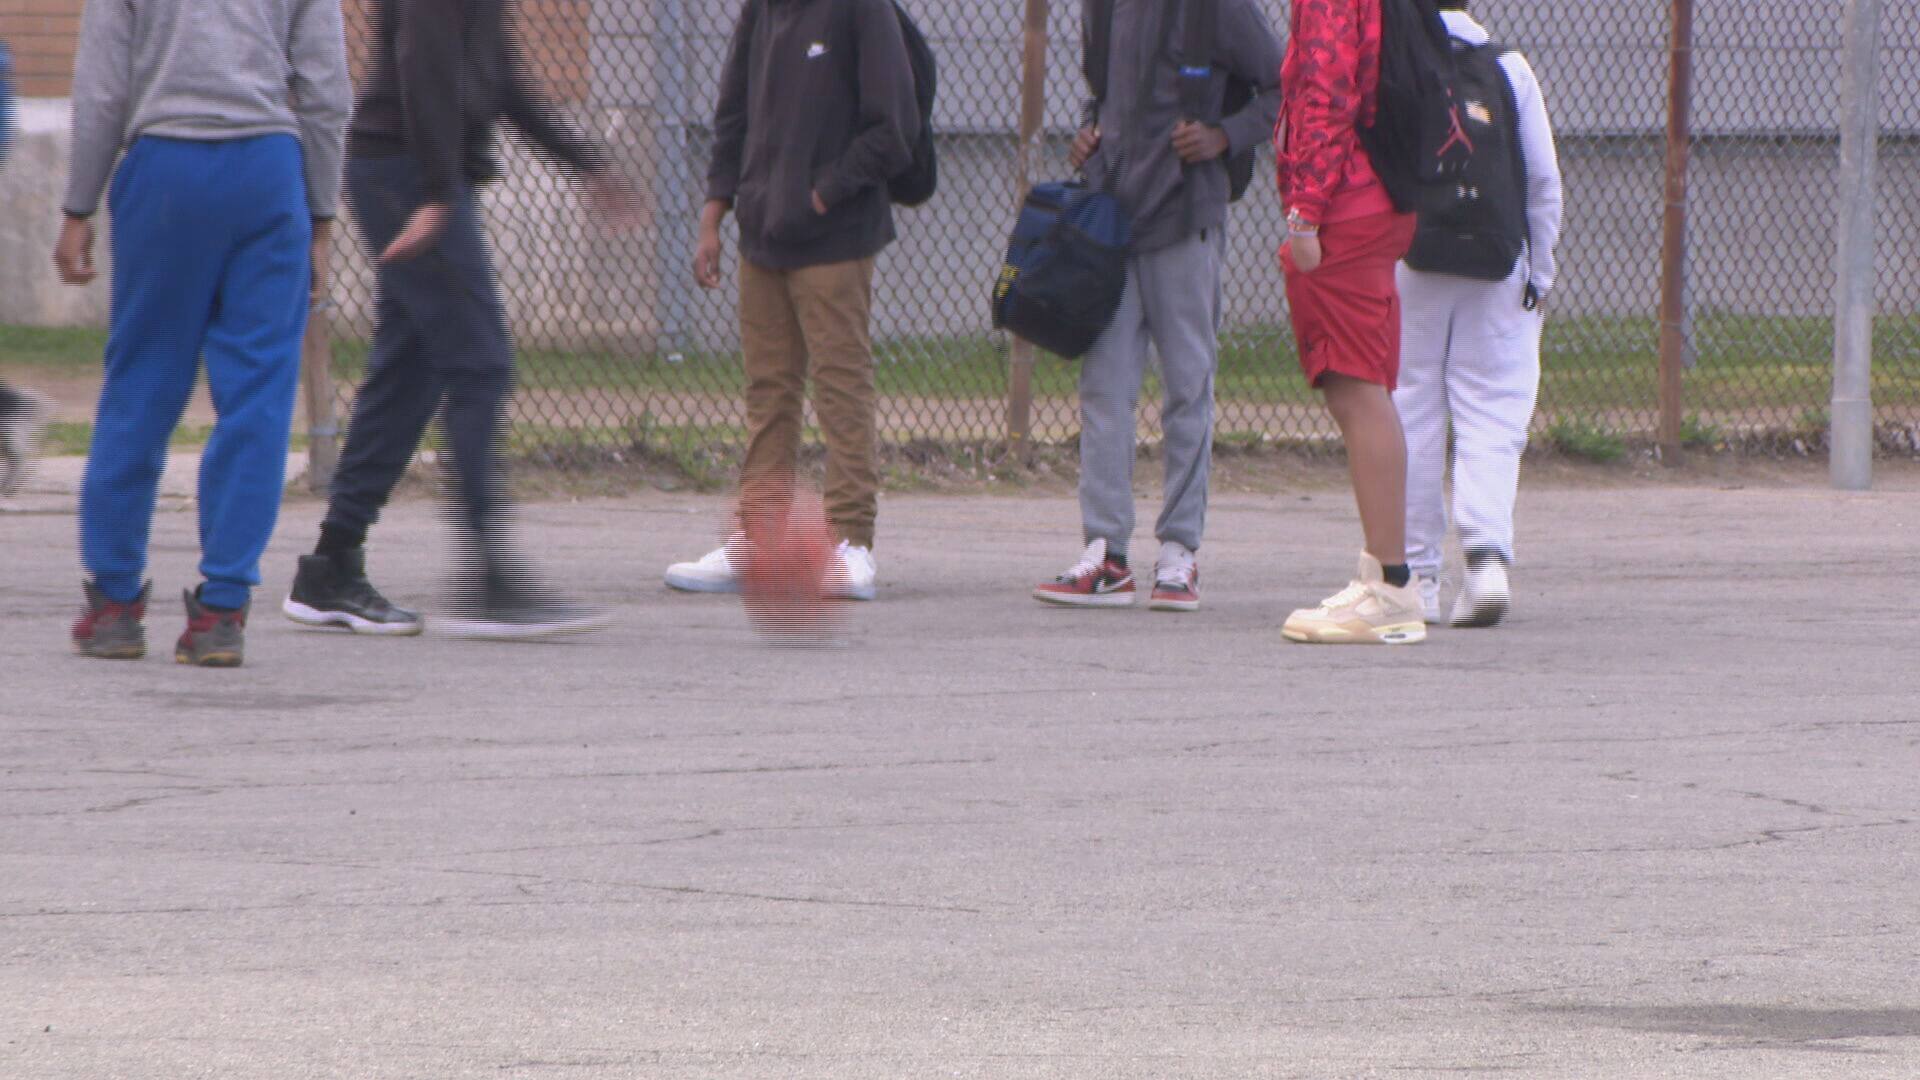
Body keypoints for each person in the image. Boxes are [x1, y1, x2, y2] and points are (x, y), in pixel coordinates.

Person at [283, 0, 640, 641]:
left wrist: (579, 170)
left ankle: (332, 566)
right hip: (407, 173)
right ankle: (494, 582)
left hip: (407, 170)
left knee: (410, 372)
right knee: (481, 359)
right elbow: (425, 62)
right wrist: (441, 191)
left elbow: (500, 82)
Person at [57, 0, 351, 665]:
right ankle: (221, 609)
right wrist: (321, 212)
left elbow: (103, 88)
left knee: (142, 386)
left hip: (165, 167)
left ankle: (113, 605)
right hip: (269, 173)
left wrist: (78, 204)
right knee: (257, 396)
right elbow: (326, 91)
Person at [662, 0, 922, 602]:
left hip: (835, 239)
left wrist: (822, 196)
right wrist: (714, 214)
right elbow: (733, 117)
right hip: (762, 234)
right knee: (769, 390)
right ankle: (760, 537)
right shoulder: (762, 11)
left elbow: (894, 127)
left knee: (840, 384)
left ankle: (851, 542)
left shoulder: (861, 12)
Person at [1031, 0, 1282, 613]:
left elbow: (1284, 85)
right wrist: (1091, 133)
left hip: (1185, 219)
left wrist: (1225, 135)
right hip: (1112, 221)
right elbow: (1107, 95)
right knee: (1104, 387)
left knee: (1187, 387)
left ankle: (1179, 553)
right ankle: (1106, 553)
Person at [1395, 0, 1563, 628]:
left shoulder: (1397, 66)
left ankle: (1415, 579)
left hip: (1411, 260)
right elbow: (1544, 182)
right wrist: (1538, 273)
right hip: (1498, 264)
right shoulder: (1511, 69)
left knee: (1410, 412)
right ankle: (1486, 561)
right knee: (1492, 412)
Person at [1274, 0, 1426, 646]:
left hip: (1348, 196)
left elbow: (1326, 84)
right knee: (1364, 388)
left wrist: (1305, 208)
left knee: (1357, 388)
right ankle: (1380, 571)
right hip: (1382, 190)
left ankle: (1390, 587)